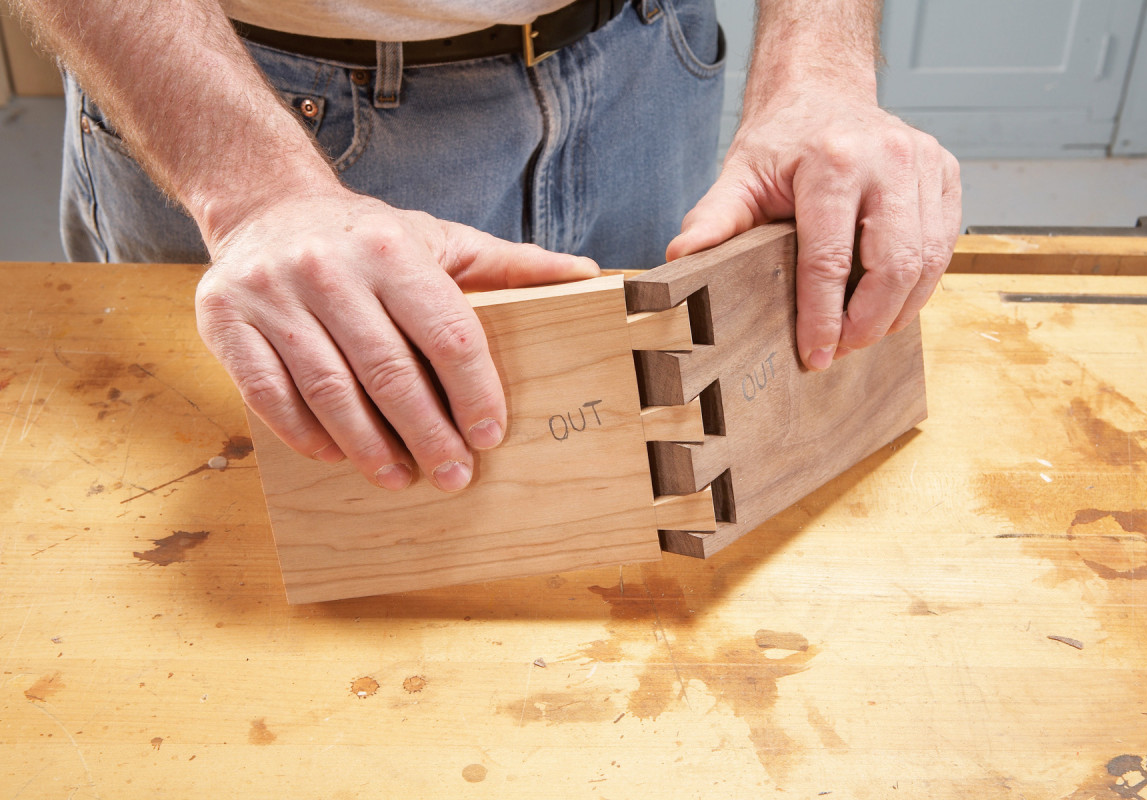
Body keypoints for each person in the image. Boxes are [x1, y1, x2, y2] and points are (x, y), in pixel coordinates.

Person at [18, 0, 961, 494]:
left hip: (647, 54)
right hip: (252, 103)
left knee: (645, 497)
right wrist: (256, 192)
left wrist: (820, 65)